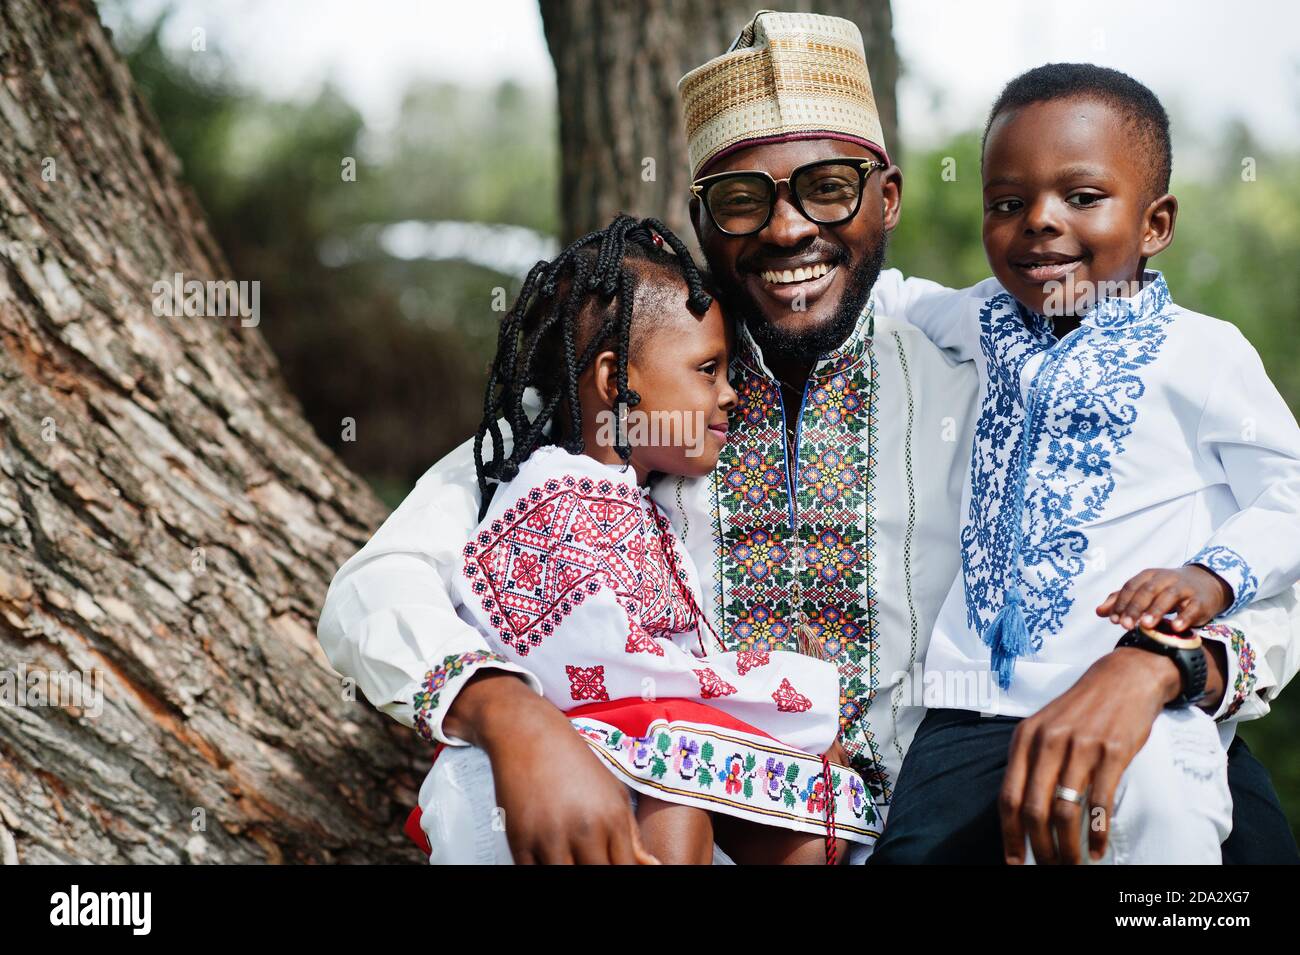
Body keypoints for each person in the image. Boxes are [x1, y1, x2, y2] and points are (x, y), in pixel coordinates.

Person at [317, 12, 1296, 864]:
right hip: (693, 828)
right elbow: (381, 581)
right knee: (475, 793)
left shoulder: (985, 351)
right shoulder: (627, 391)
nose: (787, 231)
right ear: (703, 222)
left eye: (826, 188)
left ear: (889, 199)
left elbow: (1246, 541)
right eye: (742, 200)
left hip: (946, 825)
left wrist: (1167, 664)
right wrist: (507, 710)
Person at [868, 63, 1300, 864]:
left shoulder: (1201, 353)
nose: (1039, 221)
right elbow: (880, 293)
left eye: (1083, 197)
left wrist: (1213, 575)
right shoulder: (977, 315)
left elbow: (1292, 489)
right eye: (1007, 202)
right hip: (966, 712)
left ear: (1155, 222)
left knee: (1165, 841)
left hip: (1141, 706)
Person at [427, 213, 875, 863]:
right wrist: (782, 686)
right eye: (707, 369)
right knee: (681, 799)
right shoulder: (551, 496)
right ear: (616, 382)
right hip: (539, 782)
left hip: (635, 751)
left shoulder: (639, 507)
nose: (729, 395)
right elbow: (604, 665)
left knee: (809, 836)